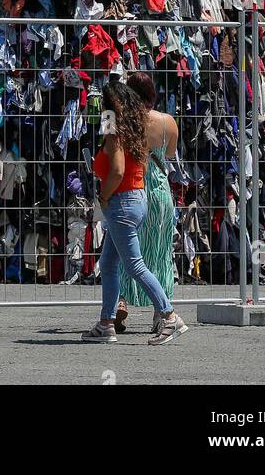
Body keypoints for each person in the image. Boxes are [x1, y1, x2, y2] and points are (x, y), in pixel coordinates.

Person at [81, 81, 188, 346]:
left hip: (121, 201)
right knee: (108, 264)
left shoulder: (115, 127)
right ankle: (106, 323)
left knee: (135, 265)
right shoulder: (132, 125)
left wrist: (103, 195)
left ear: (110, 105)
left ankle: (170, 315)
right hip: (136, 197)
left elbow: (116, 169)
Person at [114, 71, 178, 334]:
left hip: (132, 190)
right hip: (160, 195)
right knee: (160, 253)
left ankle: (121, 302)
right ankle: (159, 314)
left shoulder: (122, 122)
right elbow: (170, 154)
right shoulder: (168, 122)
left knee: (124, 251)